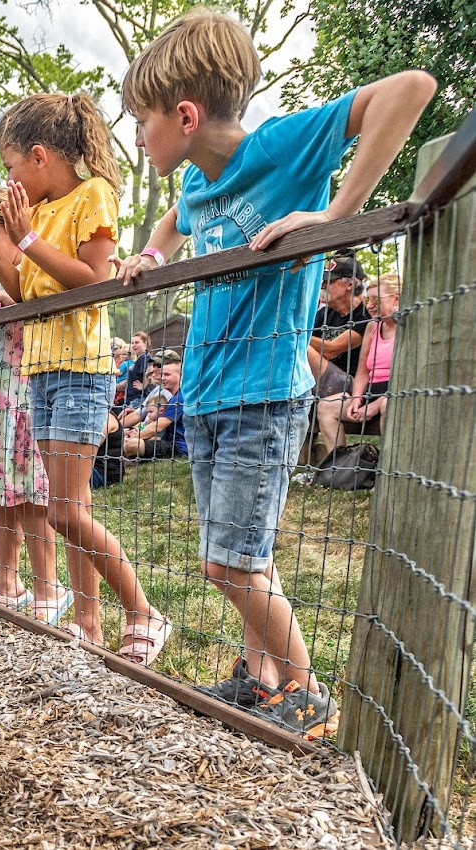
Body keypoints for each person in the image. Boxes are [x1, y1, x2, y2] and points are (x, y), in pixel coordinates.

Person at [115, 6, 434, 735]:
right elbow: (173, 221)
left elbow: (409, 87)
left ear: (186, 114)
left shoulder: (284, 145)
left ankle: (306, 692)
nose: (138, 135)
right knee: (240, 555)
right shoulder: (195, 187)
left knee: (226, 564)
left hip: (265, 394)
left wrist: (336, 216)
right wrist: (152, 256)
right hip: (205, 394)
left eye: (142, 120)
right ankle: (260, 678)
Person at [0, 91, 170, 665]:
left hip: (81, 369)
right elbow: (27, 295)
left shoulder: (92, 196)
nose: (9, 177)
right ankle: (88, 623)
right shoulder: (40, 215)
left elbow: (91, 278)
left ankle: (143, 611)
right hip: (42, 372)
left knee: (65, 511)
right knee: (69, 511)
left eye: (9, 166)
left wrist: (21, 241)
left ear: (40, 156)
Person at [0, 189, 72, 624]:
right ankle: (7, 582)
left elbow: (39, 307)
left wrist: (14, 301)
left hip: (26, 403)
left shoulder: (32, 270)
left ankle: (47, 587)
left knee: (33, 500)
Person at [314, 274, 400, 457]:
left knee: (387, 405)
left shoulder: (408, 327)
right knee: (327, 406)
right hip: (369, 393)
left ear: (396, 300)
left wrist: (376, 404)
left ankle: (386, 471)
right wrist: (356, 399)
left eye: (376, 299)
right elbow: (363, 371)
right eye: (368, 299)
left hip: (393, 395)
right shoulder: (372, 327)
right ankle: (338, 467)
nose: (369, 305)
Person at [308, 255, 373, 399]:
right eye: (322, 281)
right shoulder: (324, 313)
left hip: (348, 385)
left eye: (329, 281)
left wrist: (295, 335)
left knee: (299, 344)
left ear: (350, 284)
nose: (322, 285)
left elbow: (331, 349)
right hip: (320, 379)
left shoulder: (366, 314)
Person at [123, 360, 187, 461]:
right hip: (166, 440)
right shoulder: (173, 397)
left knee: (131, 445)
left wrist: (133, 438)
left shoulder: (180, 398)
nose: (162, 378)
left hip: (178, 448)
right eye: (162, 374)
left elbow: (157, 427)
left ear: (180, 376)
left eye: (167, 375)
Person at [120, 332, 152, 407]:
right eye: (132, 343)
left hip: (139, 398)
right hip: (131, 398)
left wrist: (143, 386)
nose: (134, 345)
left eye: (137, 342)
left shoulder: (145, 357)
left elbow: (149, 372)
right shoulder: (138, 358)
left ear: (145, 343)